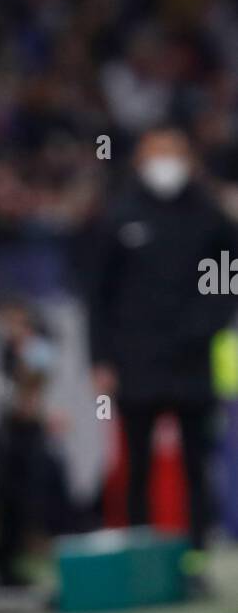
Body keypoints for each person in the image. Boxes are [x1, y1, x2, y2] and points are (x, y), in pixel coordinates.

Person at [90, 128, 237, 565]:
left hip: (192, 357)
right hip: (136, 360)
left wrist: (204, 328)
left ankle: (197, 550)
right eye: (157, 153)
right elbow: (98, 295)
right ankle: (141, 548)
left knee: (197, 460)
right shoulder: (119, 215)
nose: (166, 162)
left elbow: (228, 279)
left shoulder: (210, 216)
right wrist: (100, 358)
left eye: (174, 153)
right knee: (137, 462)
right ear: (138, 159)